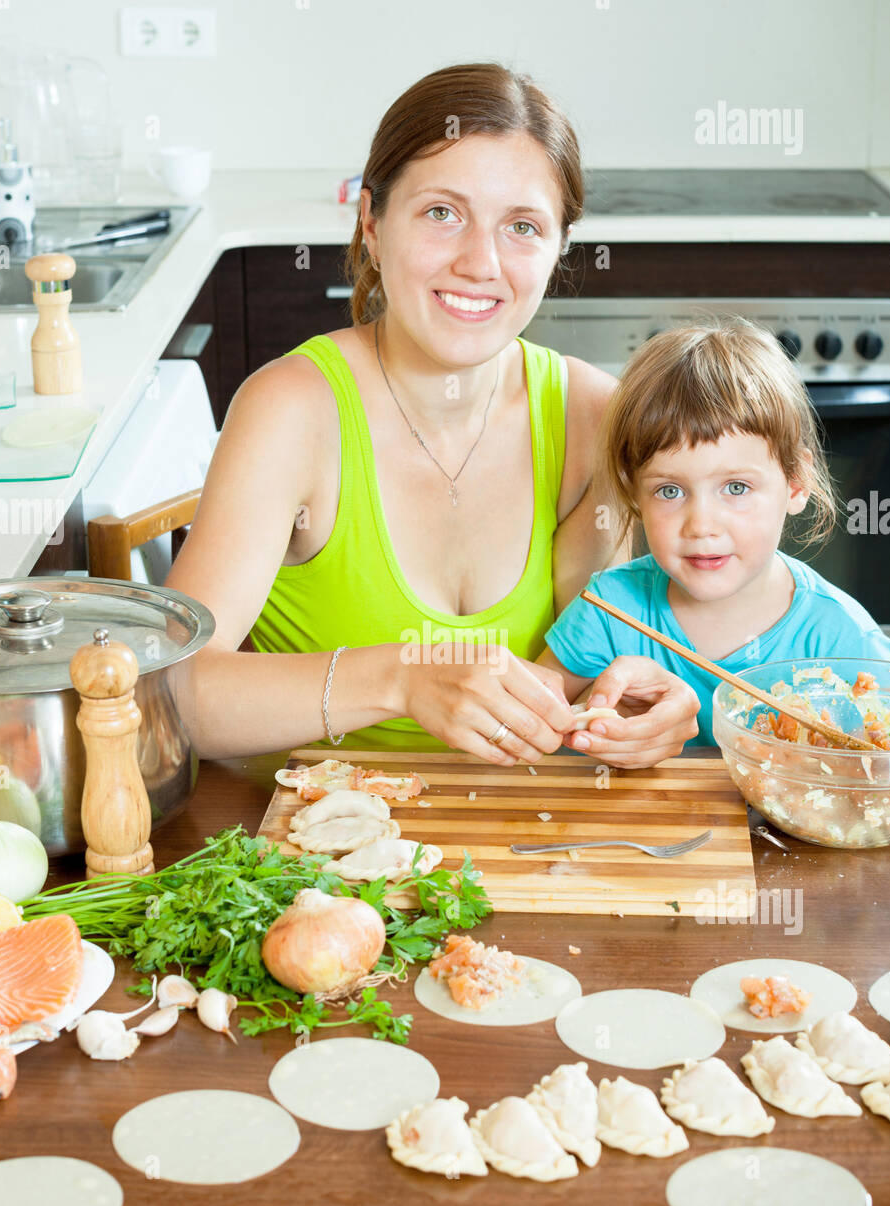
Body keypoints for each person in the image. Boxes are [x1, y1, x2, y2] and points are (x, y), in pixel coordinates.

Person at [167, 62, 699, 766]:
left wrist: (637, 704)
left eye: (522, 227)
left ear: (559, 249)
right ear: (372, 222)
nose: (480, 262)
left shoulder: (592, 418)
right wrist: (399, 678)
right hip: (313, 856)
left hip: (515, 842)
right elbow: (171, 693)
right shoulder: (292, 412)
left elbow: (578, 670)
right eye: (442, 213)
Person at [539, 317, 890, 745]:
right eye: (670, 490)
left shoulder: (845, 641)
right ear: (634, 492)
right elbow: (533, 719)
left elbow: (885, 773)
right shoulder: (607, 609)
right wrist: (583, 720)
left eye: (736, 488)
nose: (702, 526)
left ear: (796, 482)